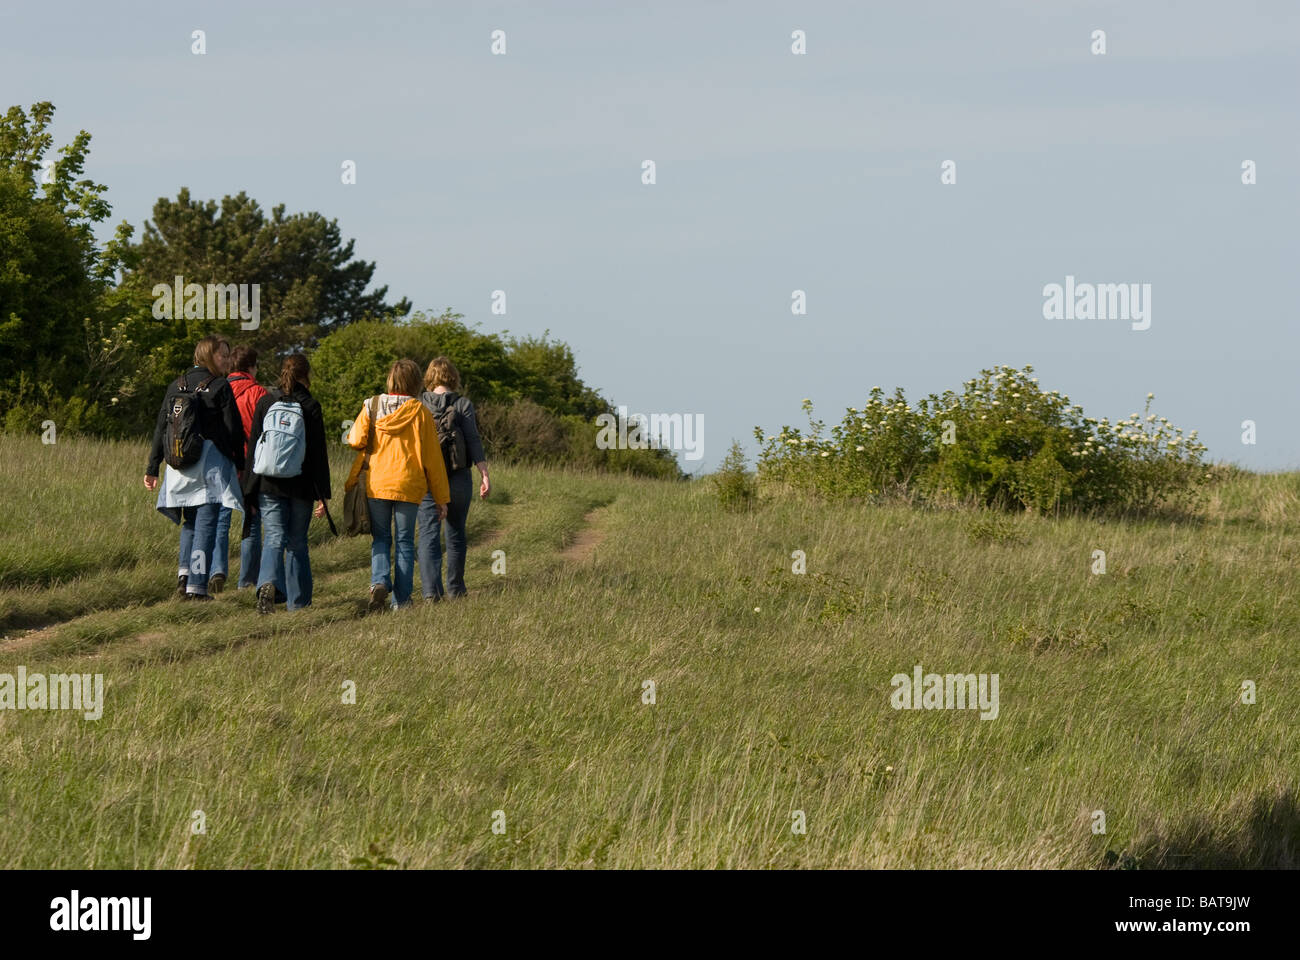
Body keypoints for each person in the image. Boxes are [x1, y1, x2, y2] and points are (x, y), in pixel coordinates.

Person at [143, 335, 245, 600]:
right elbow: (232, 429)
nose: (227, 360)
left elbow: (161, 428)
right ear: (208, 356)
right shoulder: (220, 386)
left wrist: (152, 467)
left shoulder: (176, 385)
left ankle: (184, 575)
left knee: (189, 522)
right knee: (206, 525)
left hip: (177, 466)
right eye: (222, 355)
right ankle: (197, 588)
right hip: (208, 466)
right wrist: (240, 463)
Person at [346, 359, 449, 611]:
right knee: (404, 542)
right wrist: (441, 497)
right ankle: (401, 602)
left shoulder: (371, 405)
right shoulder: (420, 412)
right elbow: (432, 459)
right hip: (408, 485)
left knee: (380, 537)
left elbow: (354, 439)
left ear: (390, 379)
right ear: (415, 383)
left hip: (377, 483)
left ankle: (379, 581)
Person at [243, 353, 330, 614]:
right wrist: (322, 494)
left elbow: (255, 448)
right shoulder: (311, 406)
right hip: (301, 485)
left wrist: (249, 489)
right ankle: (299, 603)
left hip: (268, 483)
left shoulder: (267, 401)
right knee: (297, 542)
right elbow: (317, 454)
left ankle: (267, 583)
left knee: (273, 538)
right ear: (307, 375)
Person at [418, 357, 490, 600]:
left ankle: (430, 593)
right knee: (456, 532)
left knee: (428, 534)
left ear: (430, 377)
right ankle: (456, 590)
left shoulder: (419, 404)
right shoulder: (463, 404)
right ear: (453, 377)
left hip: (427, 479)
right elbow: (473, 440)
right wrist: (484, 474)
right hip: (459, 476)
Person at [211, 344, 271, 594]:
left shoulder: (218, 390)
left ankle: (216, 569)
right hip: (251, 465)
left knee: (220, 520)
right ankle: (247, 581)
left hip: (223, 462)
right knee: (252, 521)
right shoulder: (260, 393)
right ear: (251, 367)